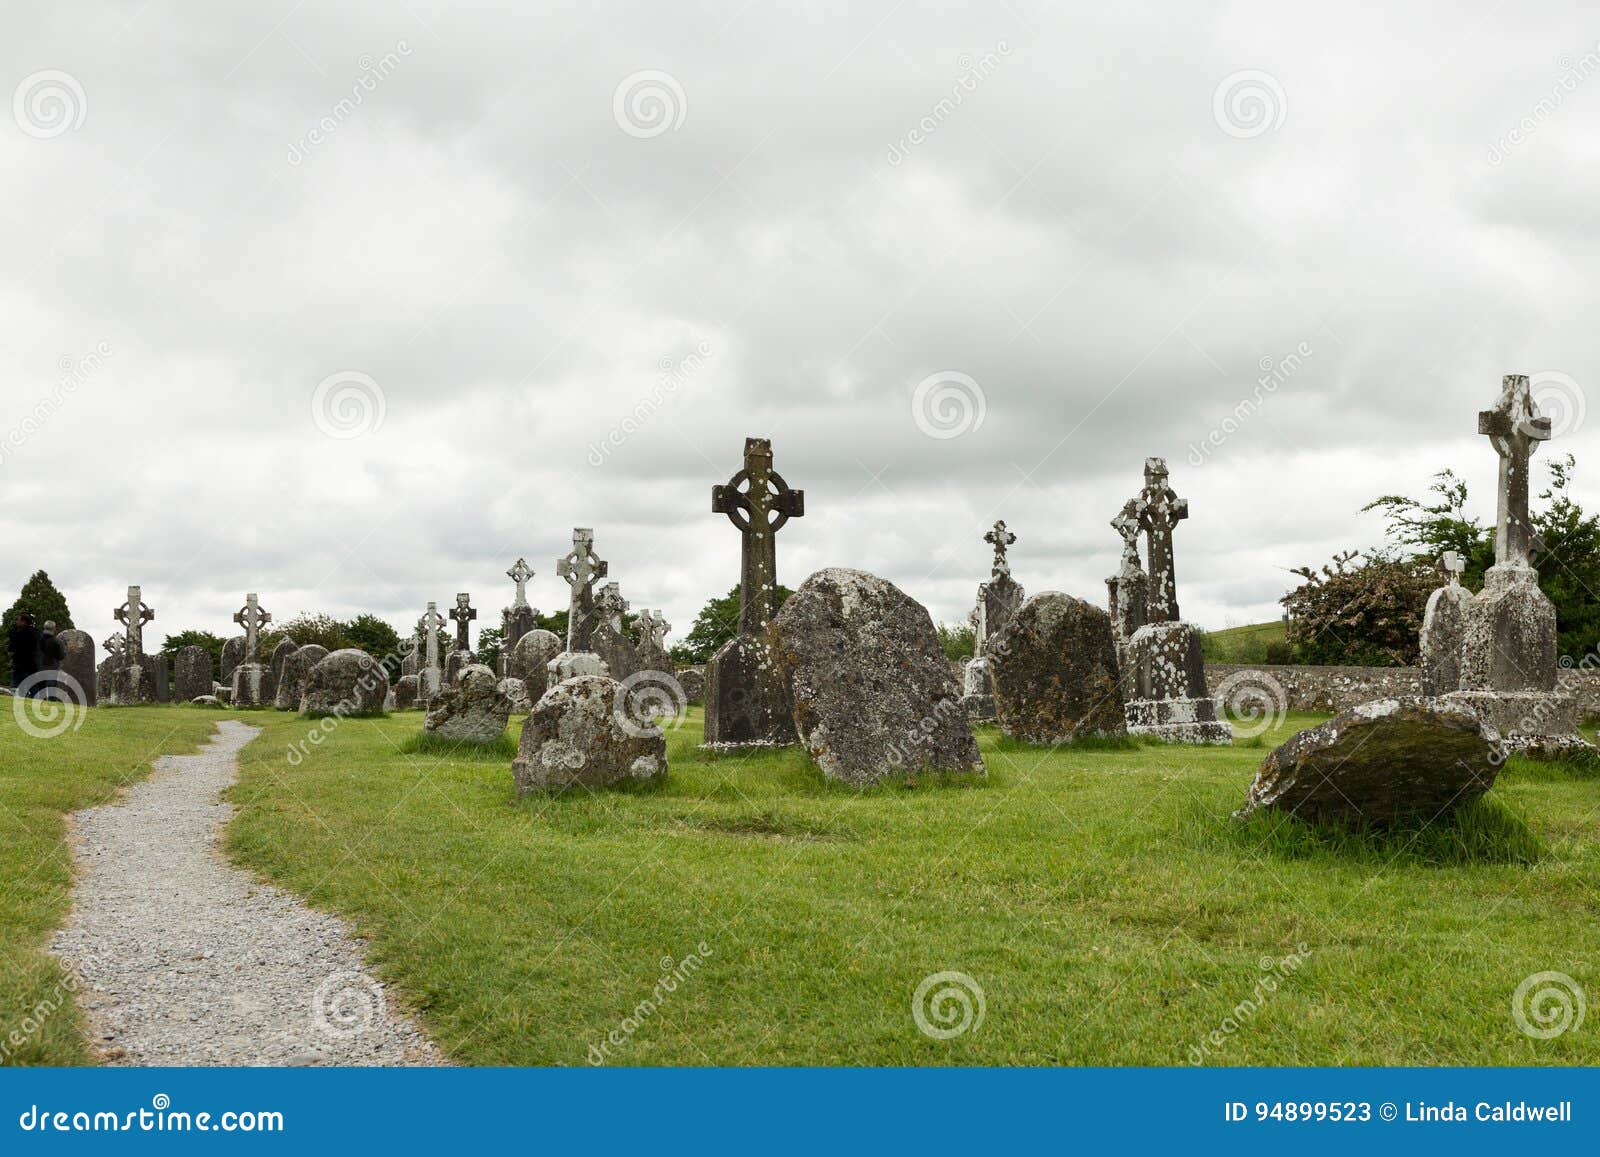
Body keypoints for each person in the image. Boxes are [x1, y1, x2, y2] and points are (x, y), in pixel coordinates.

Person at [8, 612, 42, 694]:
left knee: (14, 686)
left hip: (19, 664)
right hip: (31, 665)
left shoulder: (17, 633)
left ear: (24, 622)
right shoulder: (37, 633)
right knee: (33, 688)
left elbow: (11, 648)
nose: (16, 622)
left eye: (18, 620)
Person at [37, 621, 64, 699]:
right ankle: (51, 706)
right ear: (54, 629)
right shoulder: (56, 641)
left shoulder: (38, 639)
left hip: (40, 667)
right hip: (52, 668)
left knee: (41, 691)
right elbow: (61, 656)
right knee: (51, 690)